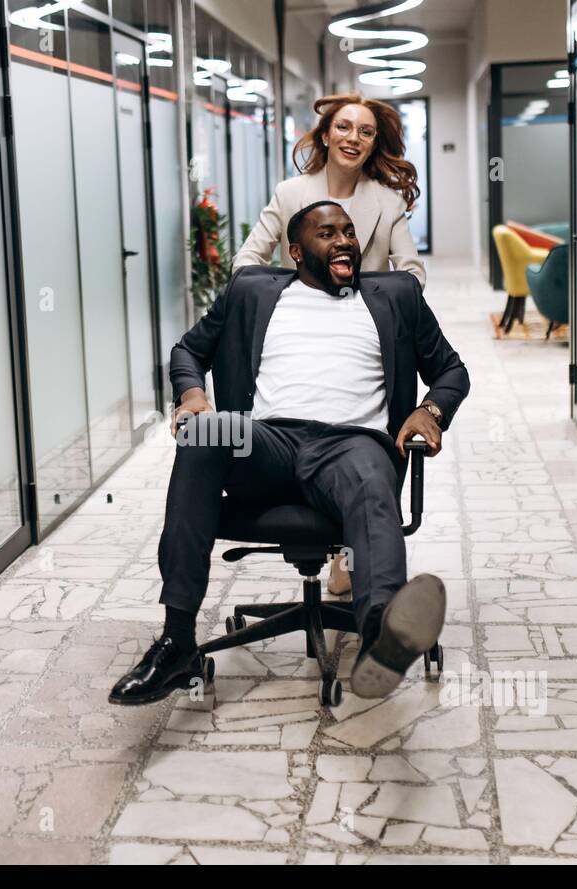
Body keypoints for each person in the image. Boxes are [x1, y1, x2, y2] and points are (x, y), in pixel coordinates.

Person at [109, 201, 469, 706]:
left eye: (349, 232)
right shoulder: (253, 291)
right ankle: (177, 642)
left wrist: (429, 410)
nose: (345, 240)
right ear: (296, 251)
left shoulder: (396, 295)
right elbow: (188, 350)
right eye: (328, 233)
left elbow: (452, 370)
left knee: (370, 477)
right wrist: (192, 395)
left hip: (351, 443)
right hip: (268, 442)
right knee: (205, 434)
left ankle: (380, 636)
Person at [235, 92, 428, 594]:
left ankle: (355, 554)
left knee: (368, 440)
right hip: (300, 345)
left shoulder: (386, 202)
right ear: (326, 134)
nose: (353, 139)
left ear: (373, 143)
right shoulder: (290, 193)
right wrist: (296, 296)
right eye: (344, 128)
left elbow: (411, 272)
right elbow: (245, 263)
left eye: (365, 132)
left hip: (363, 342)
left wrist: (372, 301)